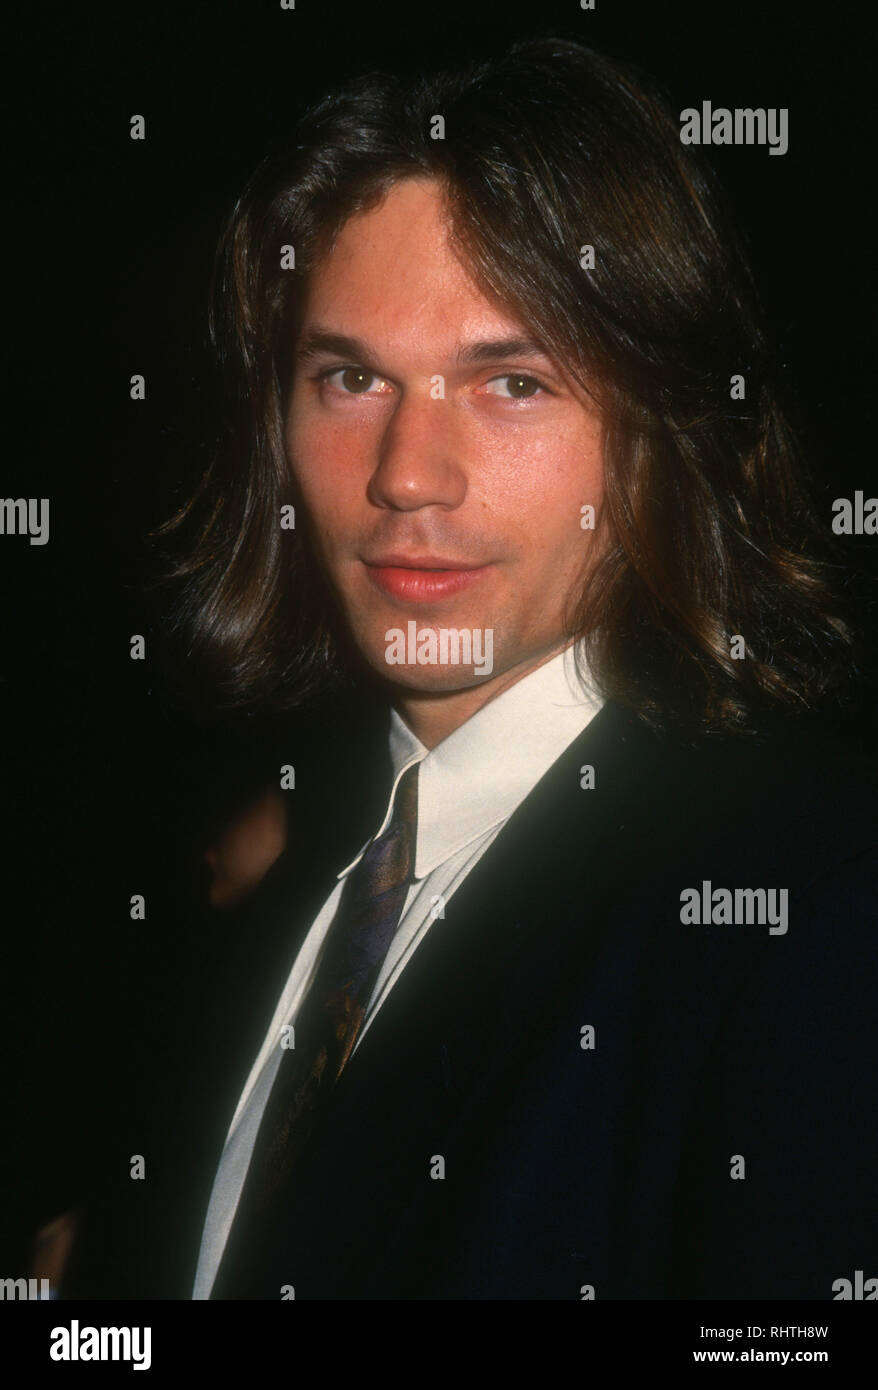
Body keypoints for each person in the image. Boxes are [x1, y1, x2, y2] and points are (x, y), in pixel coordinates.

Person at [65, 36, 877, 1301]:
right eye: (348, 378)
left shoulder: (809, 908)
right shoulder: (273, 898)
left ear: (659, 435)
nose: (405, 471)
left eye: (511, 382)